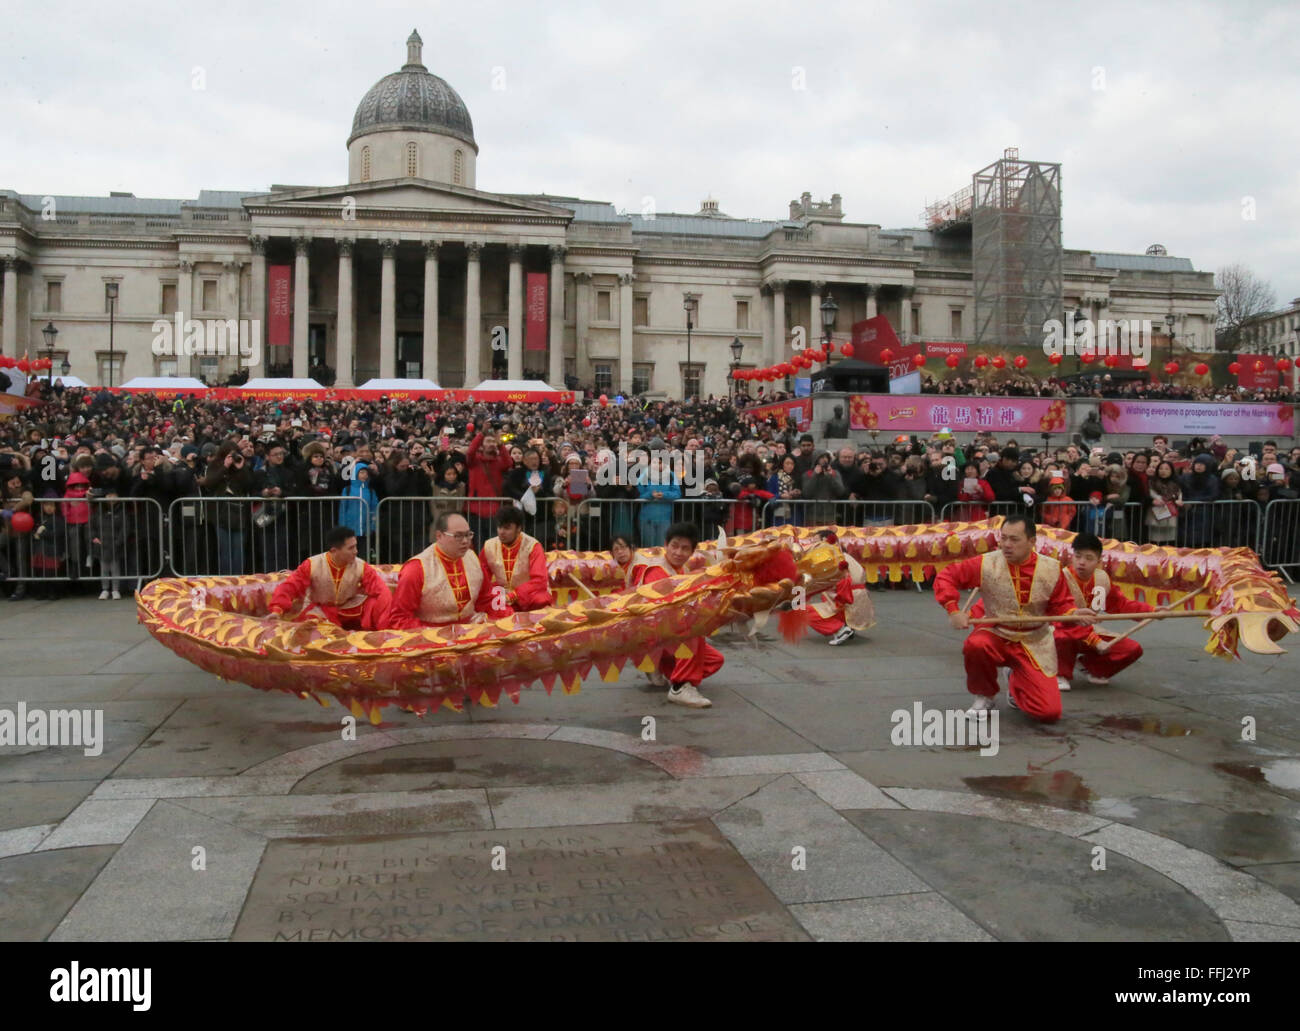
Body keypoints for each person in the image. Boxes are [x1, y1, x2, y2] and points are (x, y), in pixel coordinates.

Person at [934, 515, 1095, 722]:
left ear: (1032, 541)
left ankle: (1015, 680)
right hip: (997, 632)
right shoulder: (985, 563)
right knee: (975, 645)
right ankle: (985, 696)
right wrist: (953, 610)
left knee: (1048, 713)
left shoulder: (1052, 568)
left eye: (1014, 539)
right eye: (1003, 538)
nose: (1007, 545)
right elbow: (946, 576)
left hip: (1035, 641)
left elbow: (1061, 604)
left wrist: (1074, 614)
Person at [627, 521, 723, 709]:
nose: (679, 552)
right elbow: (664, 611)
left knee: (715, 660)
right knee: (695, 629)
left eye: (685, 548)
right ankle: (680, 686)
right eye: (675, 546)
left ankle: (657, 665)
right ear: (666, 545)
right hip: (651, 632)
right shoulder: (656, 570)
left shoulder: (682, 570)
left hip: (666, 633)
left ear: (693, 551)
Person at [1053, 532, 1154, 689]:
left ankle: (1091, 667)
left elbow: (1121, 604)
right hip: (1061, 631)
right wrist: (1095, 641)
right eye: (1078, 556)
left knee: (1131, 649)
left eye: (1088, 558)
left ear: (1099, 561)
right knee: (1063, 634)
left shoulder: (1102, 579)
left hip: (1090, 631)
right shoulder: (1061, 577)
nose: (1081, 562)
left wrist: (1153, 611)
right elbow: (1059, 613)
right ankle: (1060, 674)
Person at [268, 524, 392, 630]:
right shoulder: (312, 564)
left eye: (355, 546)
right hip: (320, 609)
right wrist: (276, 610)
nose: (356, 551)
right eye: (351, 548)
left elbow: (381, 589)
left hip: (349, 608)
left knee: (376, 601)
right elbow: (290, 587)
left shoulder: (361, 566)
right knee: (311, 628)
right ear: (334, 551)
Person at [386, 511, 497, 629]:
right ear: (439, 536)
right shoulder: (417, 568)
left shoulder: (473, 558)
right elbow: (399, 618)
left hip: (470, 630)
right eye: (458, 536)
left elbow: (486, 600)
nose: (465, 541)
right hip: (431, 636)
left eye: (468, 535)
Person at [480, 505, 552, 614]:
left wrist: (513, 595)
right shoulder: (489, 546)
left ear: (519, 529)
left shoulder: (533, 546)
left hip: (528, 595)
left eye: (507, 528)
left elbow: (539, 580)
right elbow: (481, 577)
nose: (501, 532)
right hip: (501, 594)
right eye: (499, 527)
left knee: (540, 599)